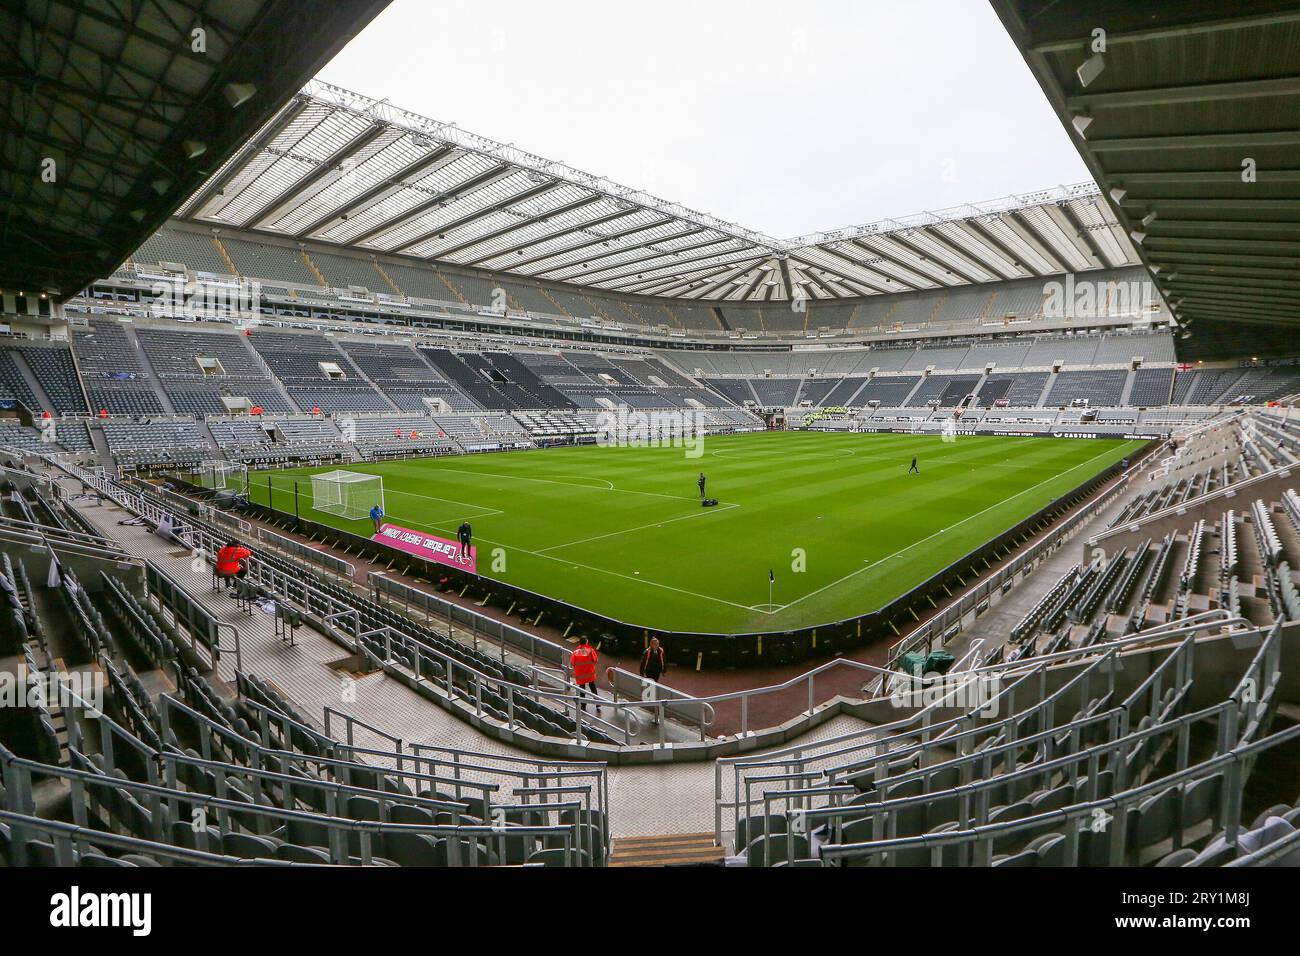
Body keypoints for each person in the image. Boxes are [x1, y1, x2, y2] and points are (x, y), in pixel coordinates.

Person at [640, 637, 668, 726]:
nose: (657, 646)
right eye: (655, 644)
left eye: (657, 644)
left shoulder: (661, 651)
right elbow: (643, 662)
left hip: (657, 671)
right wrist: (641, 672)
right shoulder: (647, 652)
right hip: (649, 671)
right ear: (651, 645)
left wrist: (663, 671)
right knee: (650, 683)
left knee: (655, 683)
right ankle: (650, 698)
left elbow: (663, 660)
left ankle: (651, 698)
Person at [571, 637, 600, 714]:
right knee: (593, 687)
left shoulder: (575, 652)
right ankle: (597, 703)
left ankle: (583, 706)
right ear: (586, 642)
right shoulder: (591, 650)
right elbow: (596, 660)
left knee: (582, 689)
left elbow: (573, 663)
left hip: (580, 675)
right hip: (590, 674)